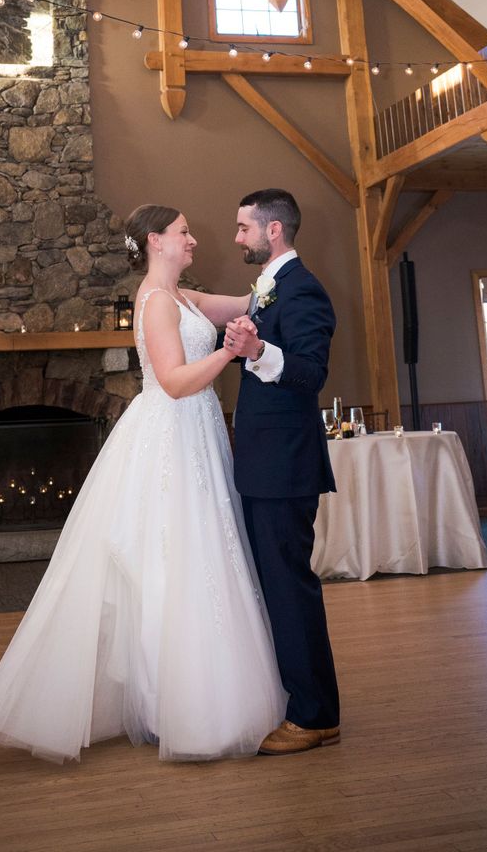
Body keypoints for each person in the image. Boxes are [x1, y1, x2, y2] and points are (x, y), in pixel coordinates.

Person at [0, 204, 285, 763]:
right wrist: (231, 352)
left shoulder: (187, 298)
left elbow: (255, 299)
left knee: (203, 553)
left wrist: (278, 274)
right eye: (185, 232)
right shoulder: (156, 303)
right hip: (171, 434)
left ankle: (197, 693)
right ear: (156, 241)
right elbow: (176, 382)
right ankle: (175, 705)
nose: (194, 241)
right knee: (171, 562)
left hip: (198, 438)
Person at [223, 188, 340, 756]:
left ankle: (314, 716)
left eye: (244, 227)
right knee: (277, 586)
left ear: (273, 231)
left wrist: (257, 350)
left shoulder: (304, 289)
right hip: (263, 465)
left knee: (290, 589)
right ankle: (303, 702)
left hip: (284, 467)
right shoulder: (269, 286)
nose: (237, 236)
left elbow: (311, 373)